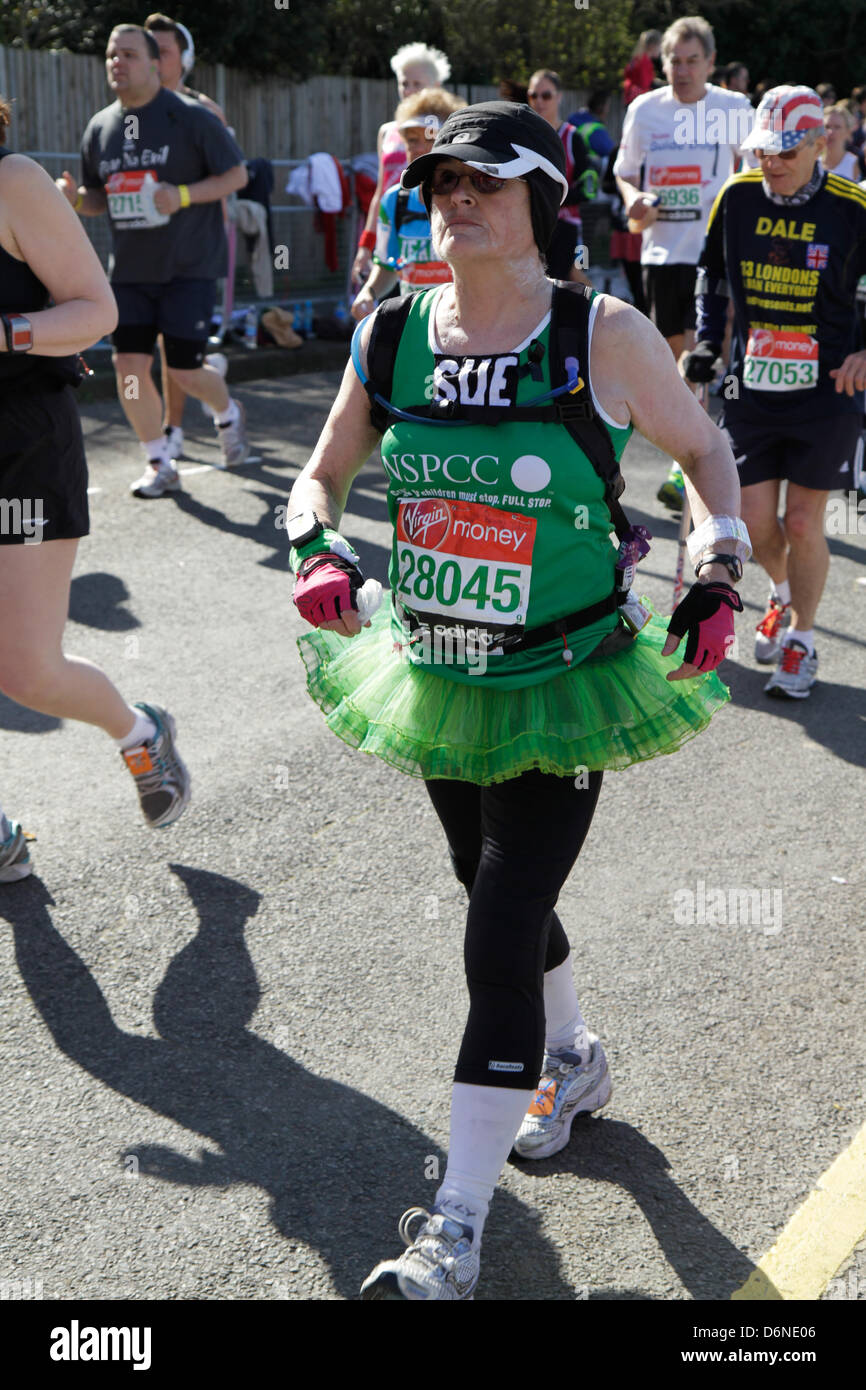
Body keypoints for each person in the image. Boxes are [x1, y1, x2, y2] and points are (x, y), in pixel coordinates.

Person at [285, 100, 749, 1299]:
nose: (454, 200)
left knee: (494, 925)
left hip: (565, 675)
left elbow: (701, 454)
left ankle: (452, 1232)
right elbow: (320, 476)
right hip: (439, 669)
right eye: (440, 182)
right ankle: (575, 1057)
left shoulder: (599, 334)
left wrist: (716, 566)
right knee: (485, 883)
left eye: (483, 184)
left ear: (541, 206)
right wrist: (316, 550)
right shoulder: (389, 332)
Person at [0, 96, 190, 882]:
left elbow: (97, 311)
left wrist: (3, 329)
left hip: (20, 444)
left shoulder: (12, 182)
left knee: (26, 672)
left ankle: (140, 734)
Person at [684, 85, 866, 698]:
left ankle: (803, 639)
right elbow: (710, 273)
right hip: (752, 387)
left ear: (822, 144)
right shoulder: (735, 198)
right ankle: (782, 596)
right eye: (763, 150)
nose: (772, 163)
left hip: (828, 391)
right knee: (756, 522)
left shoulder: (852, 207)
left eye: (786, 152)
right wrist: (708, 342)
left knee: (804, 522)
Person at [56, 24, 249, 498]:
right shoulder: (100, 127)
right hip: (129, 273)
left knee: (184, 371)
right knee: (128, 366)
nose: (116, 63)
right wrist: (75, 201)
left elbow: (236, 175)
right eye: (110, 55)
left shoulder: (189, 117)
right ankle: (159, 460)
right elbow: (99, 197)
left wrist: (180, 195)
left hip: (189, 268)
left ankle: (228, 413)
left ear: (154, 63)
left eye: (128, 54)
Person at [614, 14, 753, 512]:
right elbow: (625, 172)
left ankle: (691, 465)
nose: (683, 69)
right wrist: (635, 200)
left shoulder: (732, 107)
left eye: (694, 60)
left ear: (711, 62)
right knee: (677, 366)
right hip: (662, 251)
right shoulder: (645, 110)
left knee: (703, 355)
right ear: (662, 62)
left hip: (712, 254)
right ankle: (698, 452)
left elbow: (756, 171)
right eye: (675, 60)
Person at [145, 11, 230, 463]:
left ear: (184, 59)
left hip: (193, 257)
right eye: (149, 51)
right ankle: (170, 431)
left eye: (164, 52)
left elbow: (228, 179)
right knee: (156, 349)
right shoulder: (131, 115)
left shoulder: (203, 112)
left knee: (175, 354)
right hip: (143, 257)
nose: (155, 61)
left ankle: (198, 417)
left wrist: (181, 199)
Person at [350, 89, 464, 321]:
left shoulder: (468, 198)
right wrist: (368, 292)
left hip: (463, 327)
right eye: (412, 140)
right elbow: (387, 266)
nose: (420, 148)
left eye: (431, 137)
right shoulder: (394, 200)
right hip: (412, 327)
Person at [350, 43, 451, 291]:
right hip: (397, 220)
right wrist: (366, 243)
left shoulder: (447, 125)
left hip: (436, 220)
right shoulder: (388, 131)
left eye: (417, 84)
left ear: (436, 86)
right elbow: (381, 189)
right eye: (404, 83)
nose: (409, 90)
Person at [527, 70, 595, 283]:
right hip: (531, 226)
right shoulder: (523, 137)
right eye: (533, 95)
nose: (539, 101)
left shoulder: (573, 137)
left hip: (566, 226)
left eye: (546, 95)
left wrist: (551, 201)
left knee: (572, 279)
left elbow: (588, 188)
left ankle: (602, 314)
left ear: (559, 97)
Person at [823, 102, 861, 180]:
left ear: (848, 132)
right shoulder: (813, 162)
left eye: (837, 127)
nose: (830, 132)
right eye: (827, 127)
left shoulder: (855, 164)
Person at [623, 30, 661, 106]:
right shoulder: (645, 61)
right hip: (638, 100)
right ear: (652, 45)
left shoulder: (637, 59)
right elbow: (645, 85)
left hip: (630, 98)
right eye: (660, 45)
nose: (661, 49)